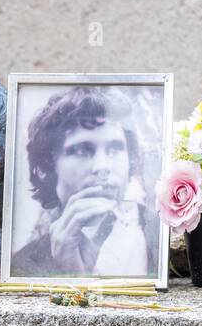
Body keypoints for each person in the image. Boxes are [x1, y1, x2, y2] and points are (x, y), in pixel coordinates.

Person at [11, 87, 158, 278]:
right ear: (47, 167)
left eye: (115, 149)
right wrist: (72, 273)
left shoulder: (159, 232)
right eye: (81, 150)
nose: (102, 167)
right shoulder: (23, 266)